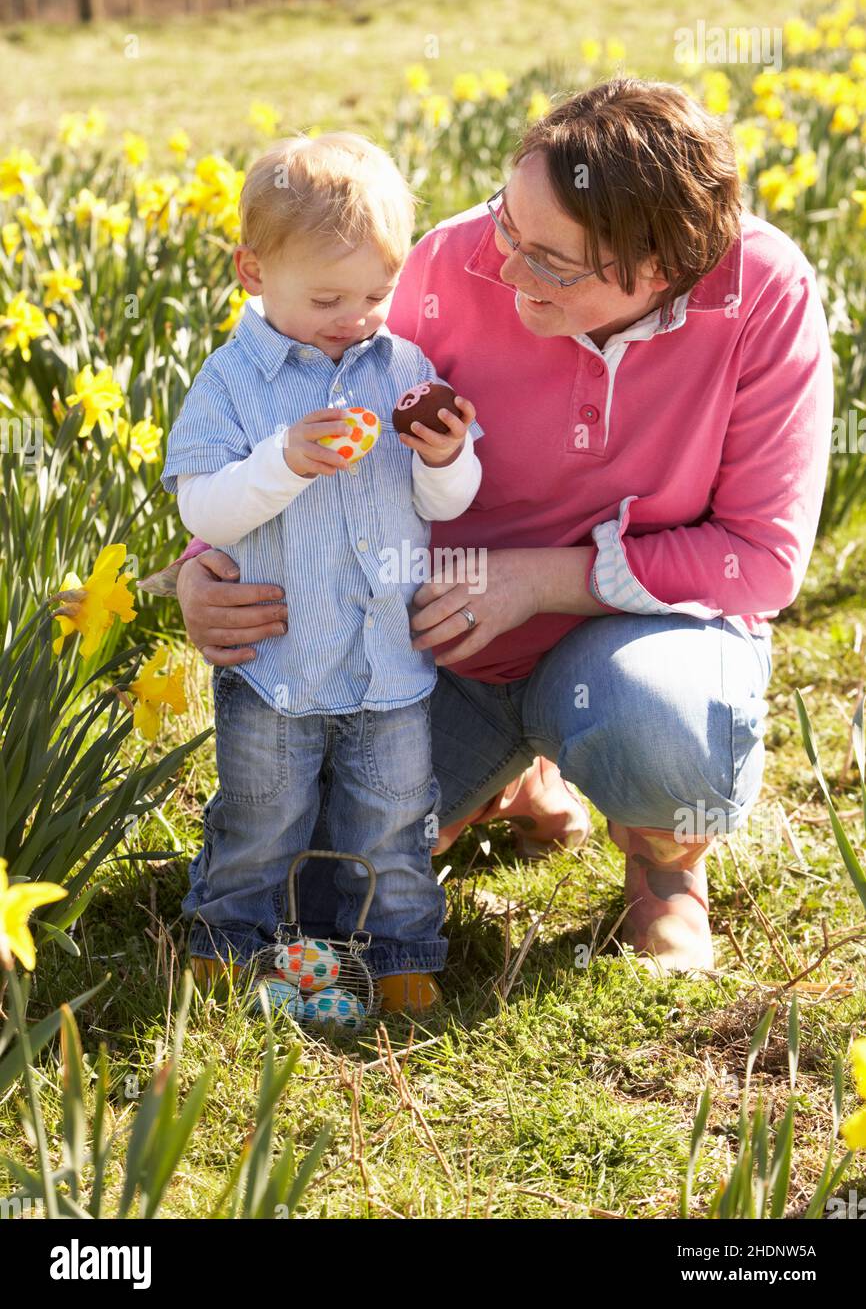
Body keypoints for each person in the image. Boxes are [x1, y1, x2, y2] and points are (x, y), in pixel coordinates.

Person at [146, 78, 833, 976]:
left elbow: (760, 558)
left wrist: (536, 582)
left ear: (655, 271)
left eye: (550, 260)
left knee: (665, 726)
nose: (504, 267)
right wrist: (205, 562)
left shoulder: (762, 292)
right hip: (444, 647)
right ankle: (517, 780)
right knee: (318, 884)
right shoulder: (447, 264)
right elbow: (319, 421)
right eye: (509, 223)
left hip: (636, 639)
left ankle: (665, 875)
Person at [159, 132, 483, 1012]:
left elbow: (449, 503)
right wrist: (282, 463)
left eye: (377, 294)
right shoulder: (232, 382)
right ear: (253, 272)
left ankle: (402, 950)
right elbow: (204, 511)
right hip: (279, 659)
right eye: (328, 297)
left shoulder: (403, 365)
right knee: (261, 813)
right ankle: (228, 938)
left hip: (389, 663)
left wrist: (445, 457)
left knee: (394, 817)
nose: (355, 317)